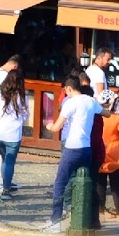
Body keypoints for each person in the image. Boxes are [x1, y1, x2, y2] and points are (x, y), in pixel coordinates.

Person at [45, 76, 100, 226]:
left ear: (69, 88)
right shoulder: (90, 101)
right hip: (86, 149)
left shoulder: (70, 103)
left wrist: (49, 126)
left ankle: (55, 220)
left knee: (60, 183)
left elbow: (57, 127)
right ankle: (85, 218)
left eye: (66, 91)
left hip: (72, 148)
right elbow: (106, 113)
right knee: (84, 182)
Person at [0, 64, 27, 197]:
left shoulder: (0, 94)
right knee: (9, 162)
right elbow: (26, 116)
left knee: (4, 160)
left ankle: (5, 184)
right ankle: (6, 189)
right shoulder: (20, 97)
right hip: (13, 135)